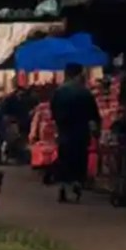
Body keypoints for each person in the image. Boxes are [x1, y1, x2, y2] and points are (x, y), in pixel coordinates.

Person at [50, 63, 101, 203]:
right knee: (79, 159)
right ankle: (77, 184)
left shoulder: (58, 92)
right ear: (79, 74)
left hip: (64, 132)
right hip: (80, 132)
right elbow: (94, 115)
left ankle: (63, 187)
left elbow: (53, 113)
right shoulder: (85, 92)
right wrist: (96, 130)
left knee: (64, 159)